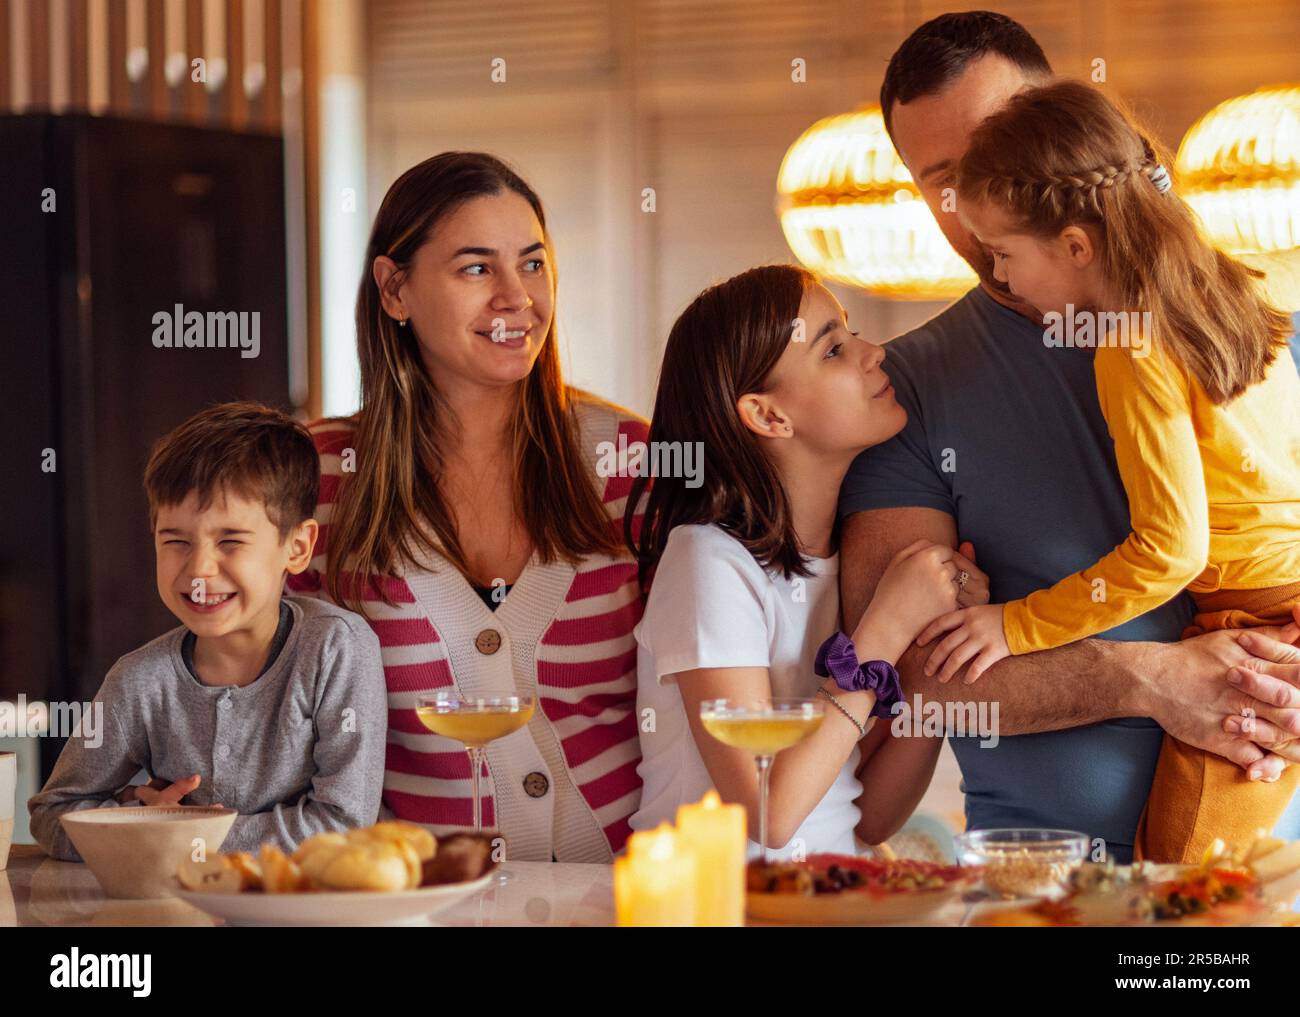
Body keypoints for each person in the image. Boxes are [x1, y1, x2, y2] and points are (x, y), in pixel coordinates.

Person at [838, 11, 1300, 863]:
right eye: (944, 180)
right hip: (1038, 893)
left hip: (1267, 885)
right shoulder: (896, 393)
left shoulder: (1253, 316)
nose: (976, 209)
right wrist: (1148, 679)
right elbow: (911, 683)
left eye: (998, 145)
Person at [288, 152, 646, 862]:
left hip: (627, 899)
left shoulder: (631, 463)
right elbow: (267, 704)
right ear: (395, 289)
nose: (518, 298)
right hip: (416, 906)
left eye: (534, 264)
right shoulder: (319, 476)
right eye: (477, 268)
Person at [627, 265, 989, 856]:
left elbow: (867, 820)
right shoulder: (708, 562)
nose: (874, 354)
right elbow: (767, 813)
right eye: (834, 350)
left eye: (853, 334)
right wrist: (888, 626)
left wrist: (931, 655)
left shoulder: (847, 561)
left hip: (825, 903)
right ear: (769, 416)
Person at [29, 403, 387, 861]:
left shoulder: (337, 649)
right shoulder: (138, 679)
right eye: (175, 541)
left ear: (296, 548)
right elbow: (53, 813)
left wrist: (189, 837)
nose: (199, 570)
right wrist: (137, 816)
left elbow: (346, 824)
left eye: (231, 541)